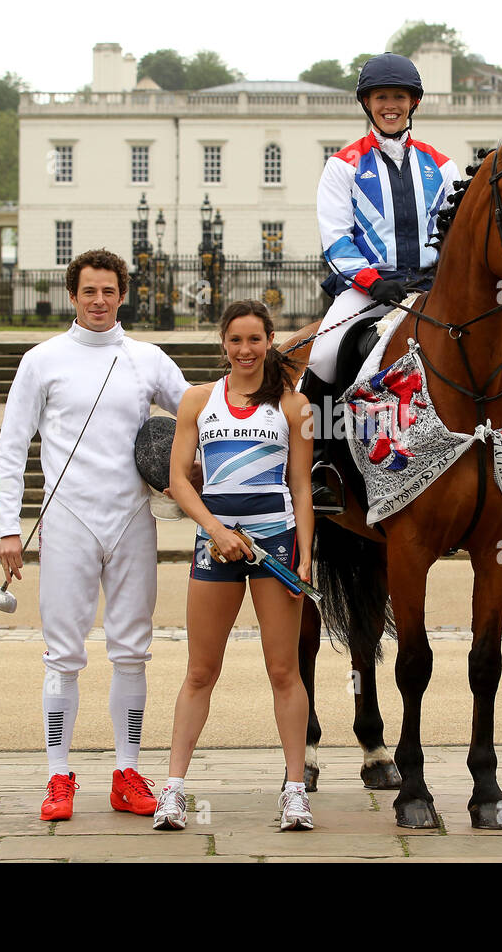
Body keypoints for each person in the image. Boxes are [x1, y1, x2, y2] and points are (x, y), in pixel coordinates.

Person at [0, 248, 191, 822]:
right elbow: (12, 447)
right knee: (63, 656)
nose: (99, 301)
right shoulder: (42, 361)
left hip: (132, 520)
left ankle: (127, 772)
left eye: (108, 291)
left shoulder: (148, 359)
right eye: (89, 292)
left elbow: (201, 413)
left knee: (132, 652)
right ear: (72, 295)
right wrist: (10, 528)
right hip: (67, 525)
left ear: (122, 294)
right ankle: (58, 777)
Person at [155, 299, 316, 831]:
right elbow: (180, 480)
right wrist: (216, 531)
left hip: (276, 547)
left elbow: (300, 487)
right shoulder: (197, 401)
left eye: (255, 340)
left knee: (283, 670)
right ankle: (173, 790)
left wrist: (306, 557)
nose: (245, 350)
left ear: (270, 341)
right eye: (235, 340)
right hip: (215, 546)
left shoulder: (294, 406)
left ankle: (295, 790)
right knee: (201, 671)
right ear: (222, 344)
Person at [307, 51, 460, 510]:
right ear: (367, 103)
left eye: (398, 97)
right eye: (380, 97)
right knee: (324, 353)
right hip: (370, 291)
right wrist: (375, 281)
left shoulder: (443, 166)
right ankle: (322, 462)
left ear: (413, 102)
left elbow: (456, 236)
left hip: (431, 289)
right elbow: (335, 241)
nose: (389, 105)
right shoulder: (343, 165)